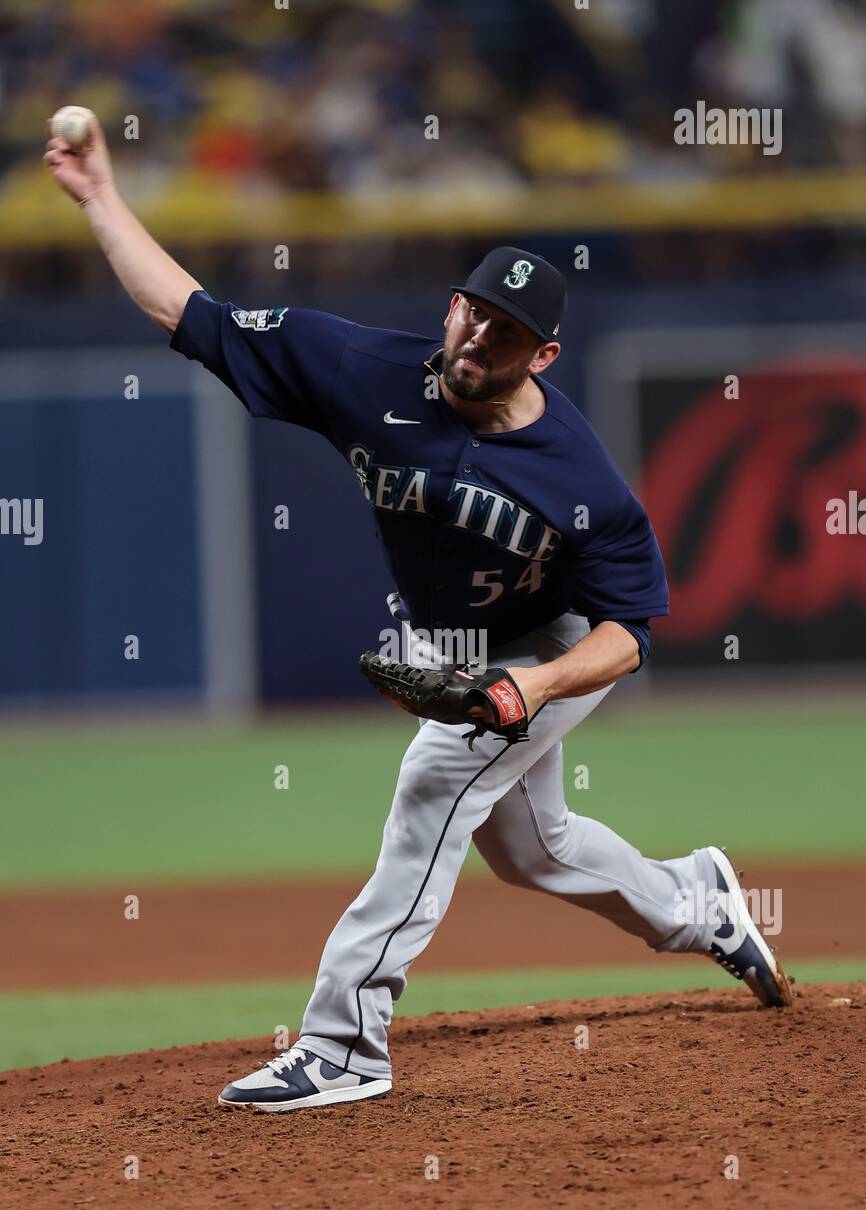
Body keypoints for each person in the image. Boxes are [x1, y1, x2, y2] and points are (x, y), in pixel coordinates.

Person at [44, 117, 793, 1115]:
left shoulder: (580, 482)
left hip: (549, 644)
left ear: (546, 355)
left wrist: (525, 687)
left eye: (508, 333)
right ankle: (697, 902)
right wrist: (99, 197)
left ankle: (345, 1039)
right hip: (464, 643)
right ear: (451, 308)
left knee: (431, 790)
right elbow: (193, 313)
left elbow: (627, 633)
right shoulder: (353, 366)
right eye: (474, 314)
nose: (480, 339)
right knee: (532, 848)